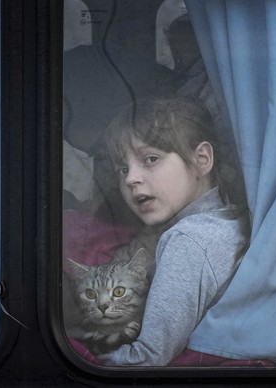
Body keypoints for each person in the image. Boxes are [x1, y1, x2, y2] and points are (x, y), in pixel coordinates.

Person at [100, 97, 250, 366]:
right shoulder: (228, 219)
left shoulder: (188, 240)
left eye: (150, 159)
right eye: (122, 169)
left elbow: (147, 359)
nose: (130, 178)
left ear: (201, 159)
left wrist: (83, 359)